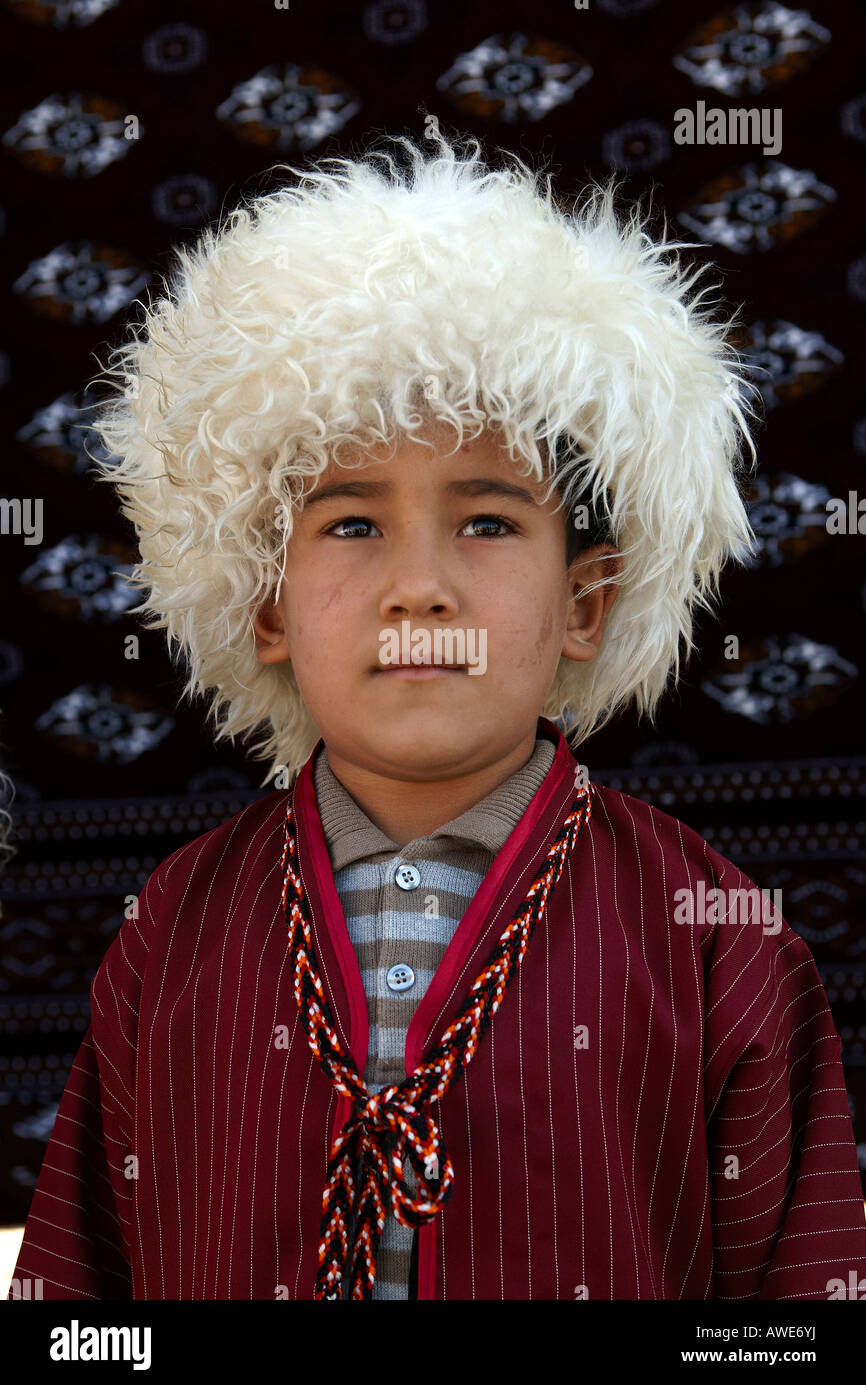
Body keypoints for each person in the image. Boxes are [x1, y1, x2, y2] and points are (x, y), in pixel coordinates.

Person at [9, 130, 866, 1301]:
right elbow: (81, 1289)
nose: (419, 585)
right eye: (352, 525)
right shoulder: (172, 927)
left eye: (487, 521)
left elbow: (796, 1289)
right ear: (265, 605)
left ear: (582, 602)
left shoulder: (714, 937)